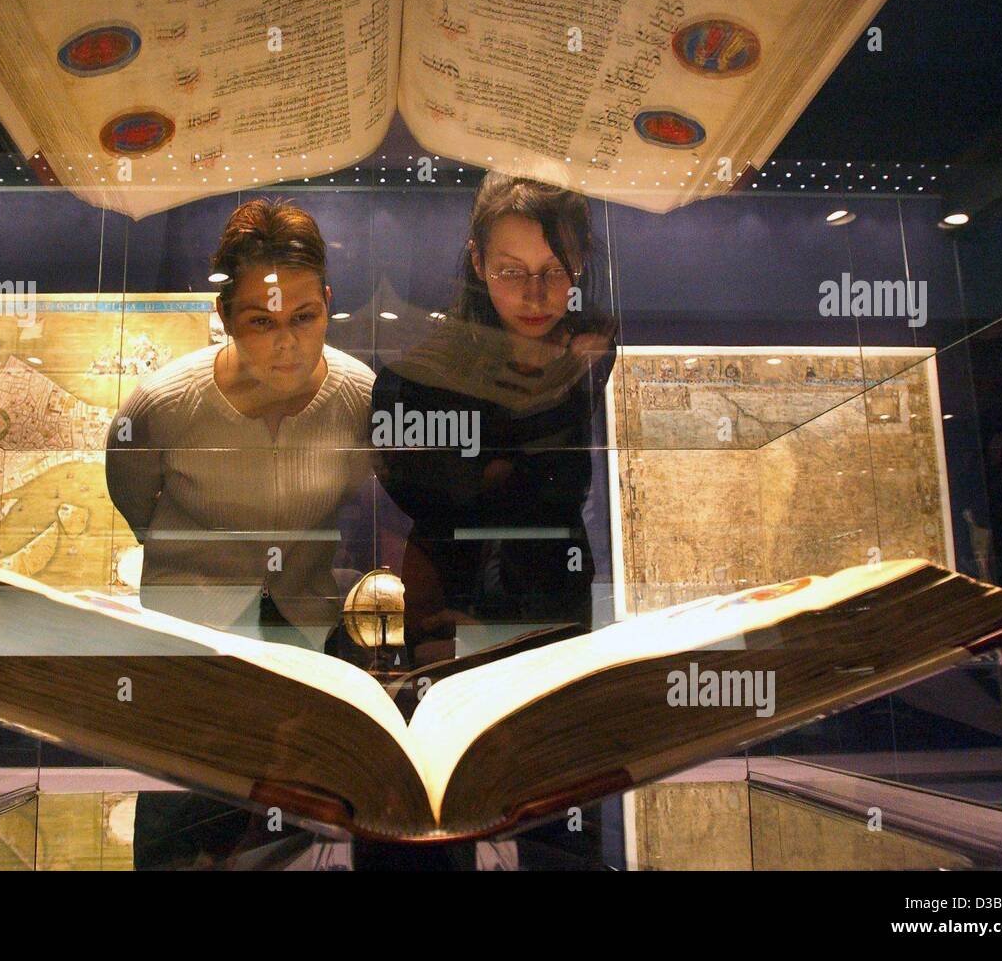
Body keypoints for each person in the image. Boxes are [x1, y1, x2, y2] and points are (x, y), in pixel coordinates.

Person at [104, 197, 374, 868]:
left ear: (328, 305)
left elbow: (360, 504)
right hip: (190, 650)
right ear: (223, 316)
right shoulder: (161, 406)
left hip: (307, 637)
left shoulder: (361, 400)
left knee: (308, 838)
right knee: (181, 835)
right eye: (261, 321)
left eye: (305, 318)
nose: (287, 342)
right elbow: (134, 500)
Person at [369, 172, 617, 868]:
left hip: (552, 610)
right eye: (512, 272)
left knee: (559, 831)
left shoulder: (589, 352)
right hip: (446, 605)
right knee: (434, 825)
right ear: (477, 262)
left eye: (555, 272)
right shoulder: (417, 373)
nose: (536, 296)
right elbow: (415, 506)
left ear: (580, 266)